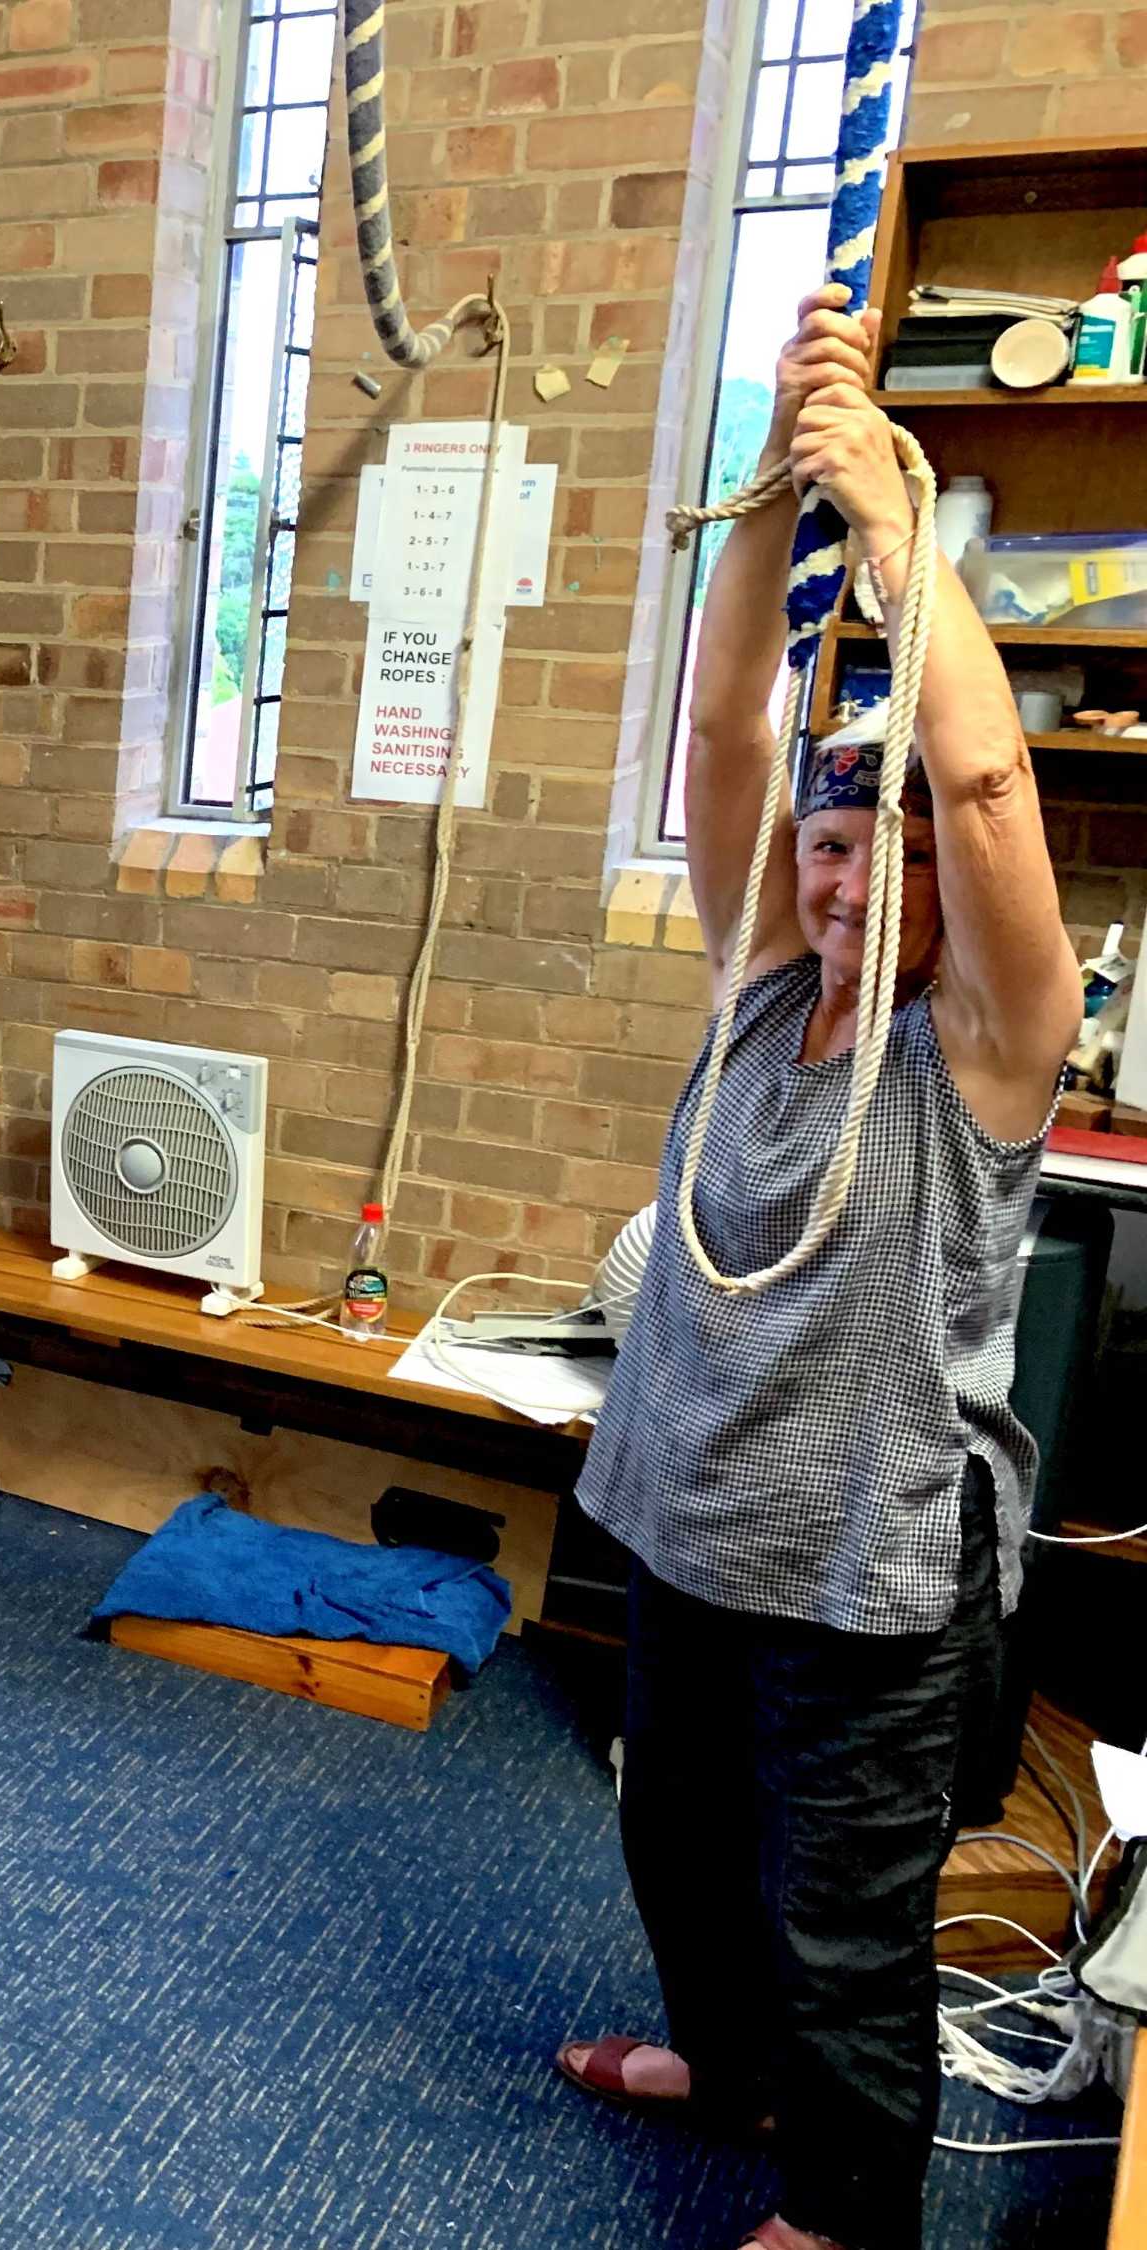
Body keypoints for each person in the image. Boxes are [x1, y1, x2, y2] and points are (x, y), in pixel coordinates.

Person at [555, 289, 1081, 2250]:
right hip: (688, 1514)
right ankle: (724, 2054)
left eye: (898, 851)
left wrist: (897, 527)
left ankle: (851, 2209)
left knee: (842, 1916)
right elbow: (719, 725)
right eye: (837, 844)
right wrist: (780, 479)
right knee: (671, 1840)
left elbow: (1003, 788)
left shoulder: (983, 1047)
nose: (854, 879)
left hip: (865, 1566)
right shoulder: (769, 985)